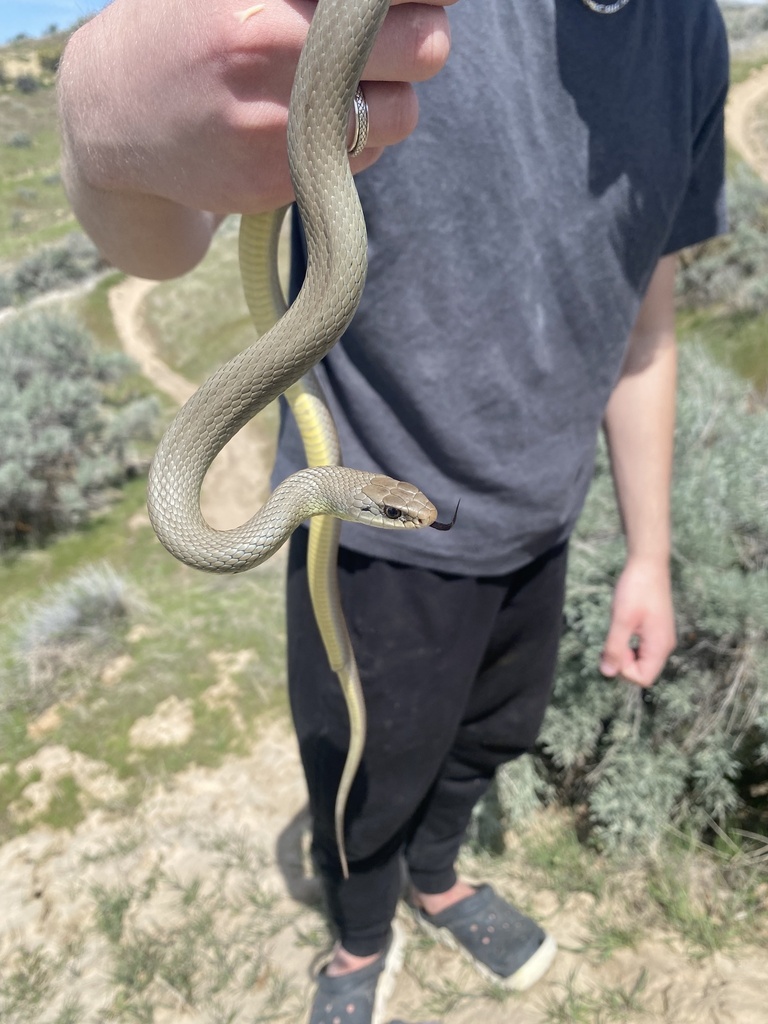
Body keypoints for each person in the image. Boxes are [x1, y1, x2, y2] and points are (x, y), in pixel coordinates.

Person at [57, 0, 729, 1022]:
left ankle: (438, 874)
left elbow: (648, 322)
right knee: (361, 770)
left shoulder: (692, 33)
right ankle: (357, 939)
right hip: (371, 548)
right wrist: (94, 112)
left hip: (544, 515)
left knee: (491, 734)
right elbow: (161, 237)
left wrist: (649, 551)